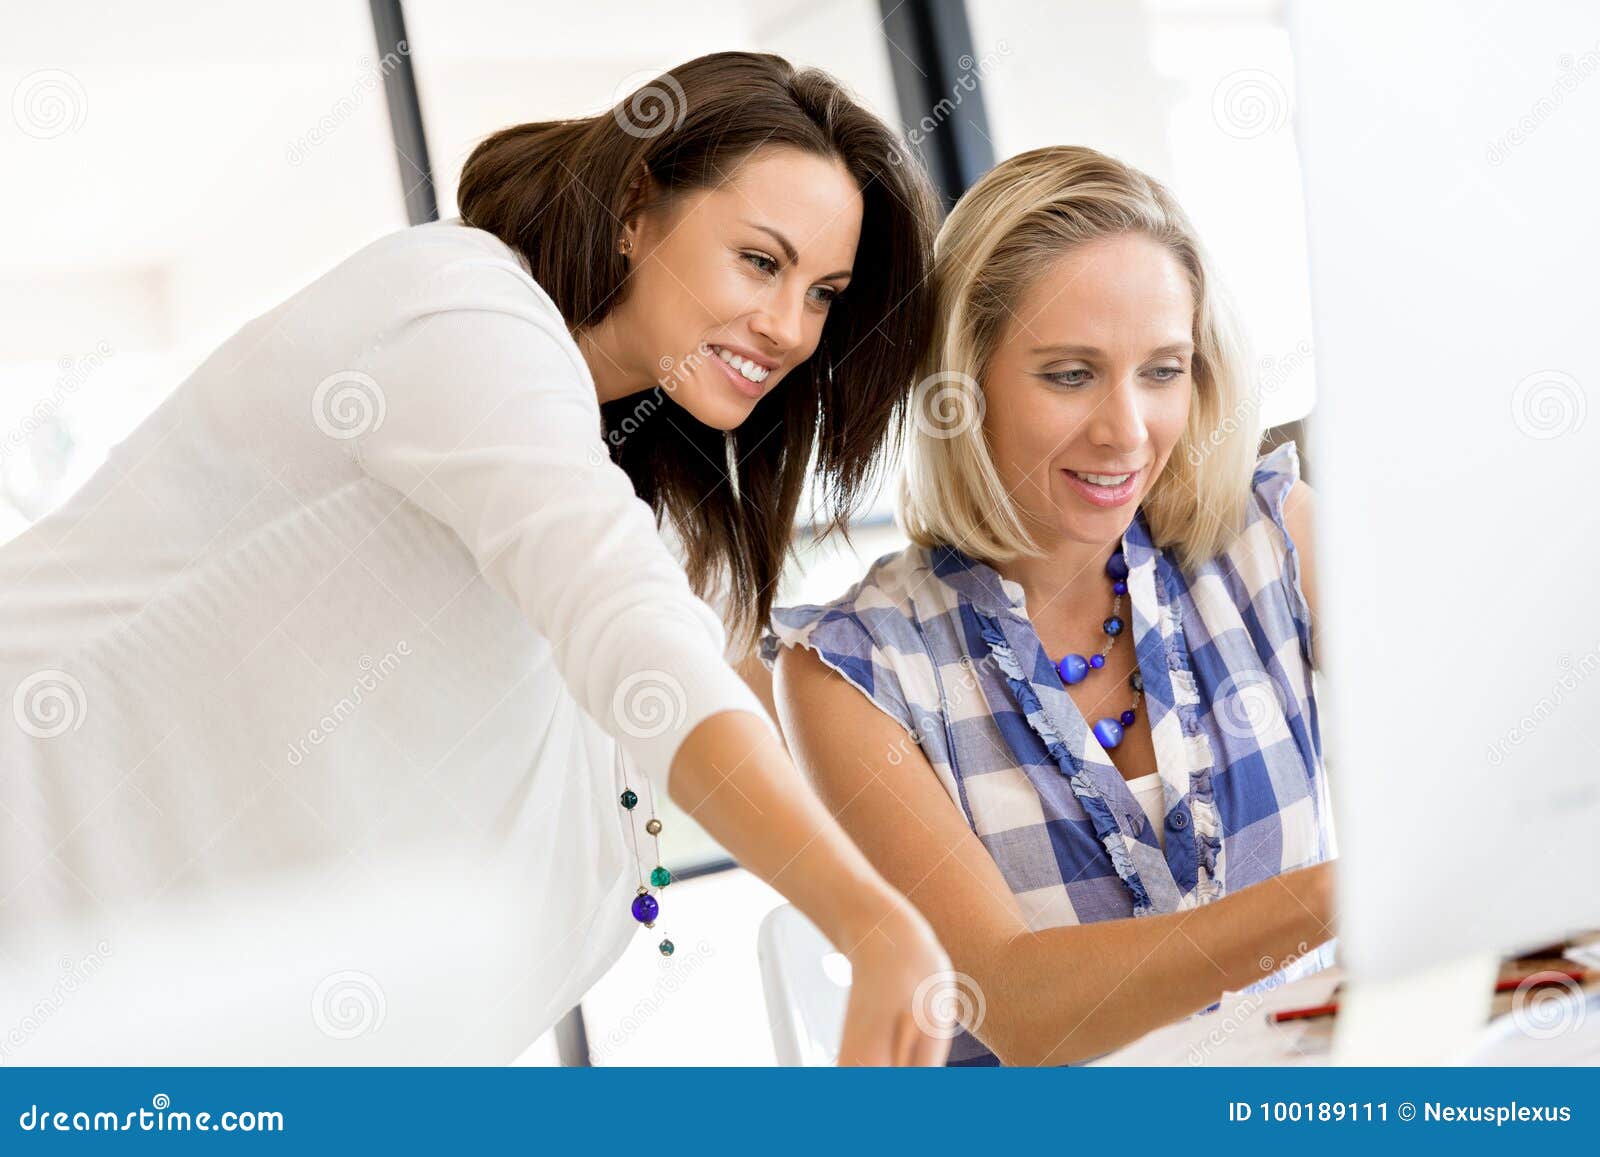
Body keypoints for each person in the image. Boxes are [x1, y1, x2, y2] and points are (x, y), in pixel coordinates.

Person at [0, 52, 952, 1065]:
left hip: (144, 976)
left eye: (823, 293)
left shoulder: (645, 466)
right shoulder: (460, 311)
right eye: (760, 261)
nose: (788, 328)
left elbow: (732, 681)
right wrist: (869, 921)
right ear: (636, 209)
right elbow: (636, 638)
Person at [766, 145, 1339, 1067]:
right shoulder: (852, 671)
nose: (1127, 430)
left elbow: (1468, 754)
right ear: (962, 387)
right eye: (1070, 374)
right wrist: (1346, 893)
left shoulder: (1272, 538)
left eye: (1163, 371)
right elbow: (1021, 1005)